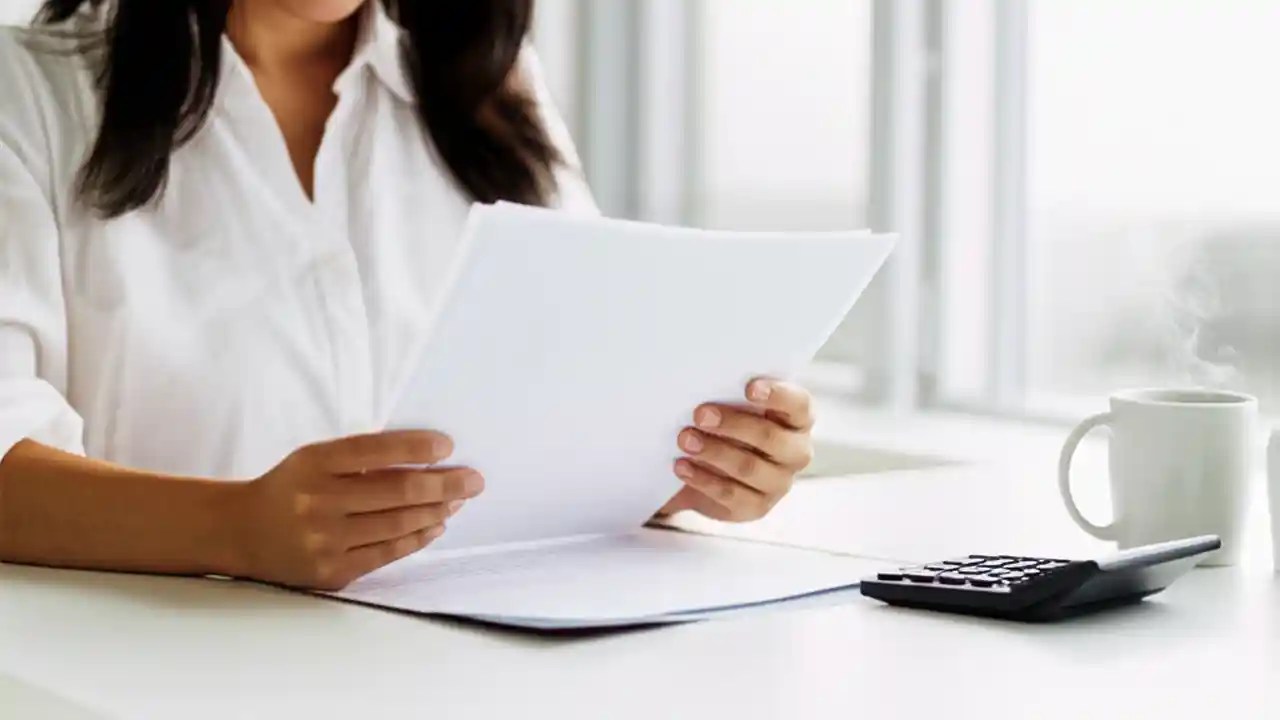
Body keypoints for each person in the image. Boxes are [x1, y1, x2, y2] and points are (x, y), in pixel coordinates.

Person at [0, 0, 816, 591]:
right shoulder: (29, 93)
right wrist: (236, 526)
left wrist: (676, 470)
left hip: (465, 666)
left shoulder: (486, 91)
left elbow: (575, 396)